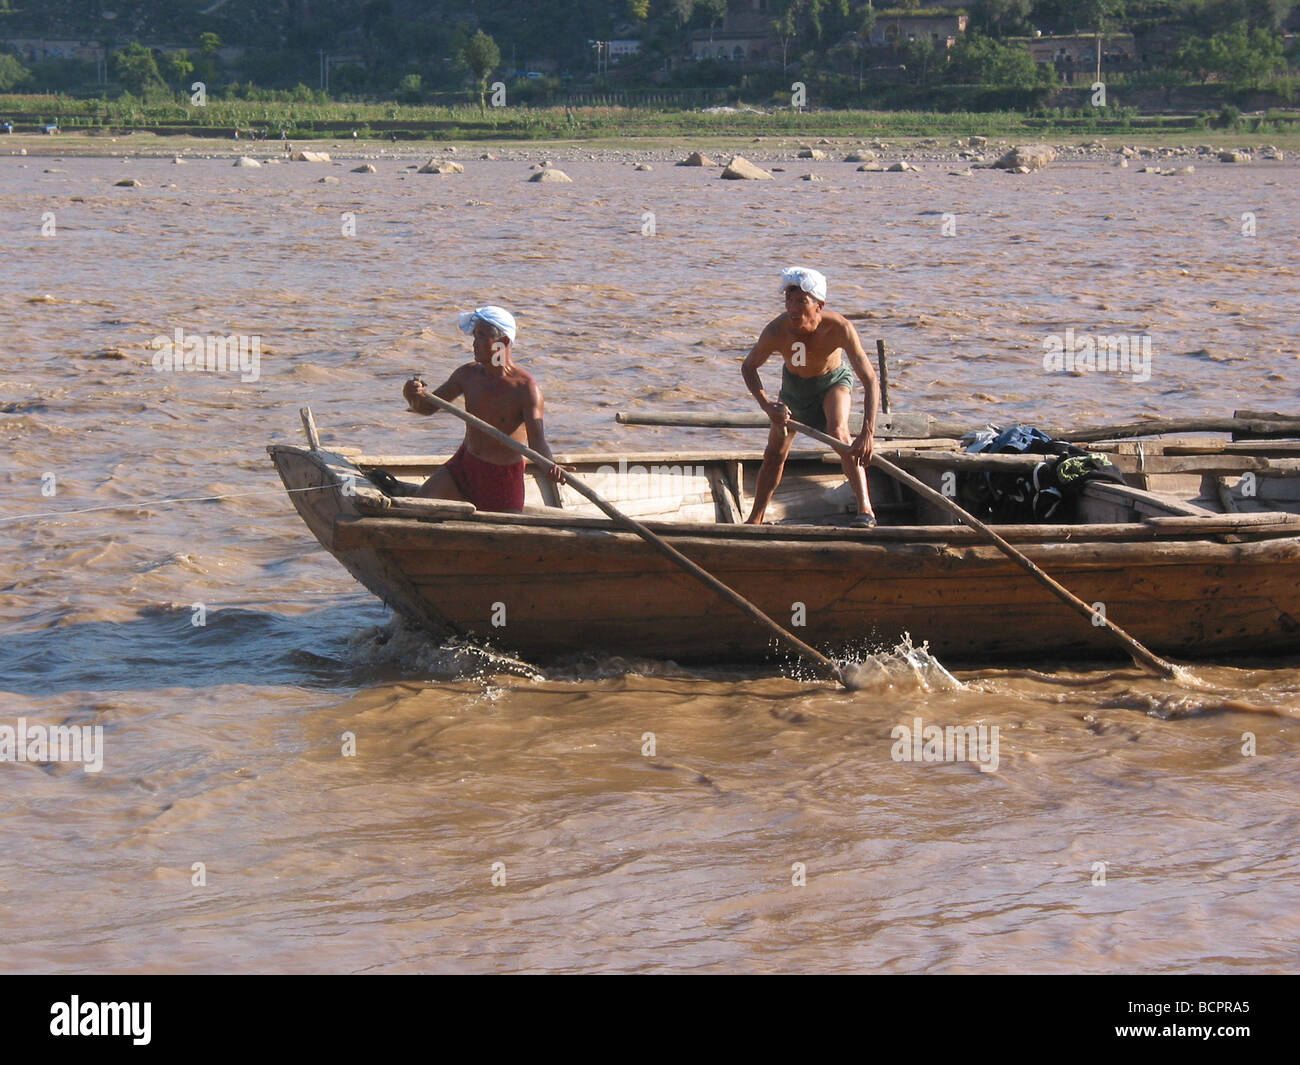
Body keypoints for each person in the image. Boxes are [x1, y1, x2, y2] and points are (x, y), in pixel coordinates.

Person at [741, 267, 880, 526]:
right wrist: (768, 406)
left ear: (819, 305)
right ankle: (755, 519)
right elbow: (748, 367)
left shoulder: (840, 328)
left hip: (833, 383)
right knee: (774, 453)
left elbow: (870, 379)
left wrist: (868, 433)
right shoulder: (776, 330)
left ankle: (866, 510)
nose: (792, 309)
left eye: (801, 302)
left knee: (839, 433)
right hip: (794, 390)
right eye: (788, 301)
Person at [402, 306, 566, 513]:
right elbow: (426, 408)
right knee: (417, 508)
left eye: (481, 336)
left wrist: (550, 466)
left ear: (502, 343)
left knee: (499, 535)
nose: (473, 343)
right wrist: (411, 394)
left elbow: (537, 442)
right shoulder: (467, 375)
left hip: (501, 479)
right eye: (474, 335)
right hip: (464, 465)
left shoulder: (526, 389)